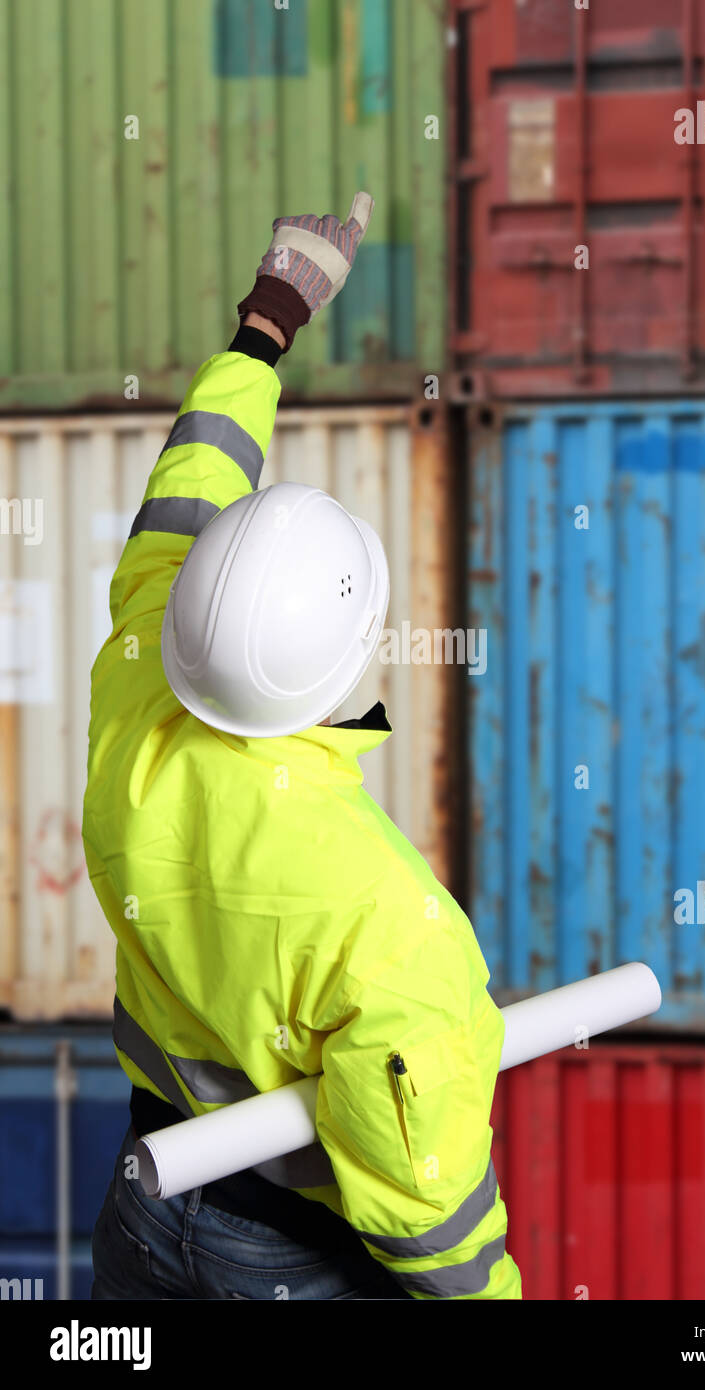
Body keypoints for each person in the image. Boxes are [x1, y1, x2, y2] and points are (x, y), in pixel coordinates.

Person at [83, 194, 522, 1301]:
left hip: (145, 1201)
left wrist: (265, 324)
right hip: (284, 1259)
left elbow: (190, 488)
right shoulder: (386, 918)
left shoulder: (135, 675)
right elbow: (434, 1223)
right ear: (349, 658)